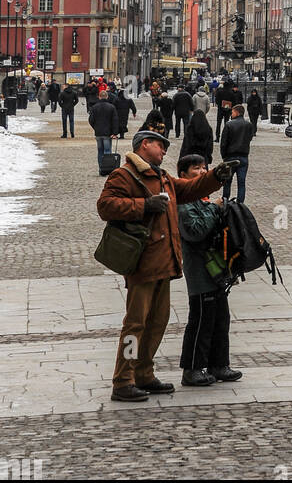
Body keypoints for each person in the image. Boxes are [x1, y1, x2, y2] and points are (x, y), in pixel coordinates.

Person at [97, 129, 235, 401]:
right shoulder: (124, 175)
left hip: (163, 263)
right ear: (144, 145)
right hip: (142, 264)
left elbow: (189, 188)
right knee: (135, 325)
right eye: (160, 146)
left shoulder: (161, 177)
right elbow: (106, 206)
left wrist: (215, 176)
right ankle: (123, 380)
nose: (164, 151)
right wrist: (144, 205)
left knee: (158, 322)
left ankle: (144, 373)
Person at [176, 154, 242, 387]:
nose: (203, 171)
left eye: (205, 167)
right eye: (197, 169)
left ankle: (218, 364)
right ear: (183, 175)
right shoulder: (184, 201)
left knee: (220, 318)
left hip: (214, 268)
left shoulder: (200, 198)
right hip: (199, 270)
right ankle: (192, 368)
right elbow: (195, 231)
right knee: (201, 320)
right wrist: (214, 209)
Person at [219, 102, 254, 203]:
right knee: (241, 182)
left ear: (238, 113)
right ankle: (240, 203)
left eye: (233, 112)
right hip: (243, 156)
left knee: (227, 181)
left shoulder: (229, 124)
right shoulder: (248, 125)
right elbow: (249, 138)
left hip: (230, 156)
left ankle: (225, 200)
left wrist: (224, 156)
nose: (231, 114)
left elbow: (223, 142)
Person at [89, 88, 120, 172]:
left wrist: (95, 127)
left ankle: (101, 168)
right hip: (107, 133)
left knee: (100, 151)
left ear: (99, 97)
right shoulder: (111, 107)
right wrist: (115, 133)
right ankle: (107, 168)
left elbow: (91, 120)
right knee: (107, 151)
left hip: (98, 133)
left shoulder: (94, 107)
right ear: (107, 97)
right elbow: (115, 120)